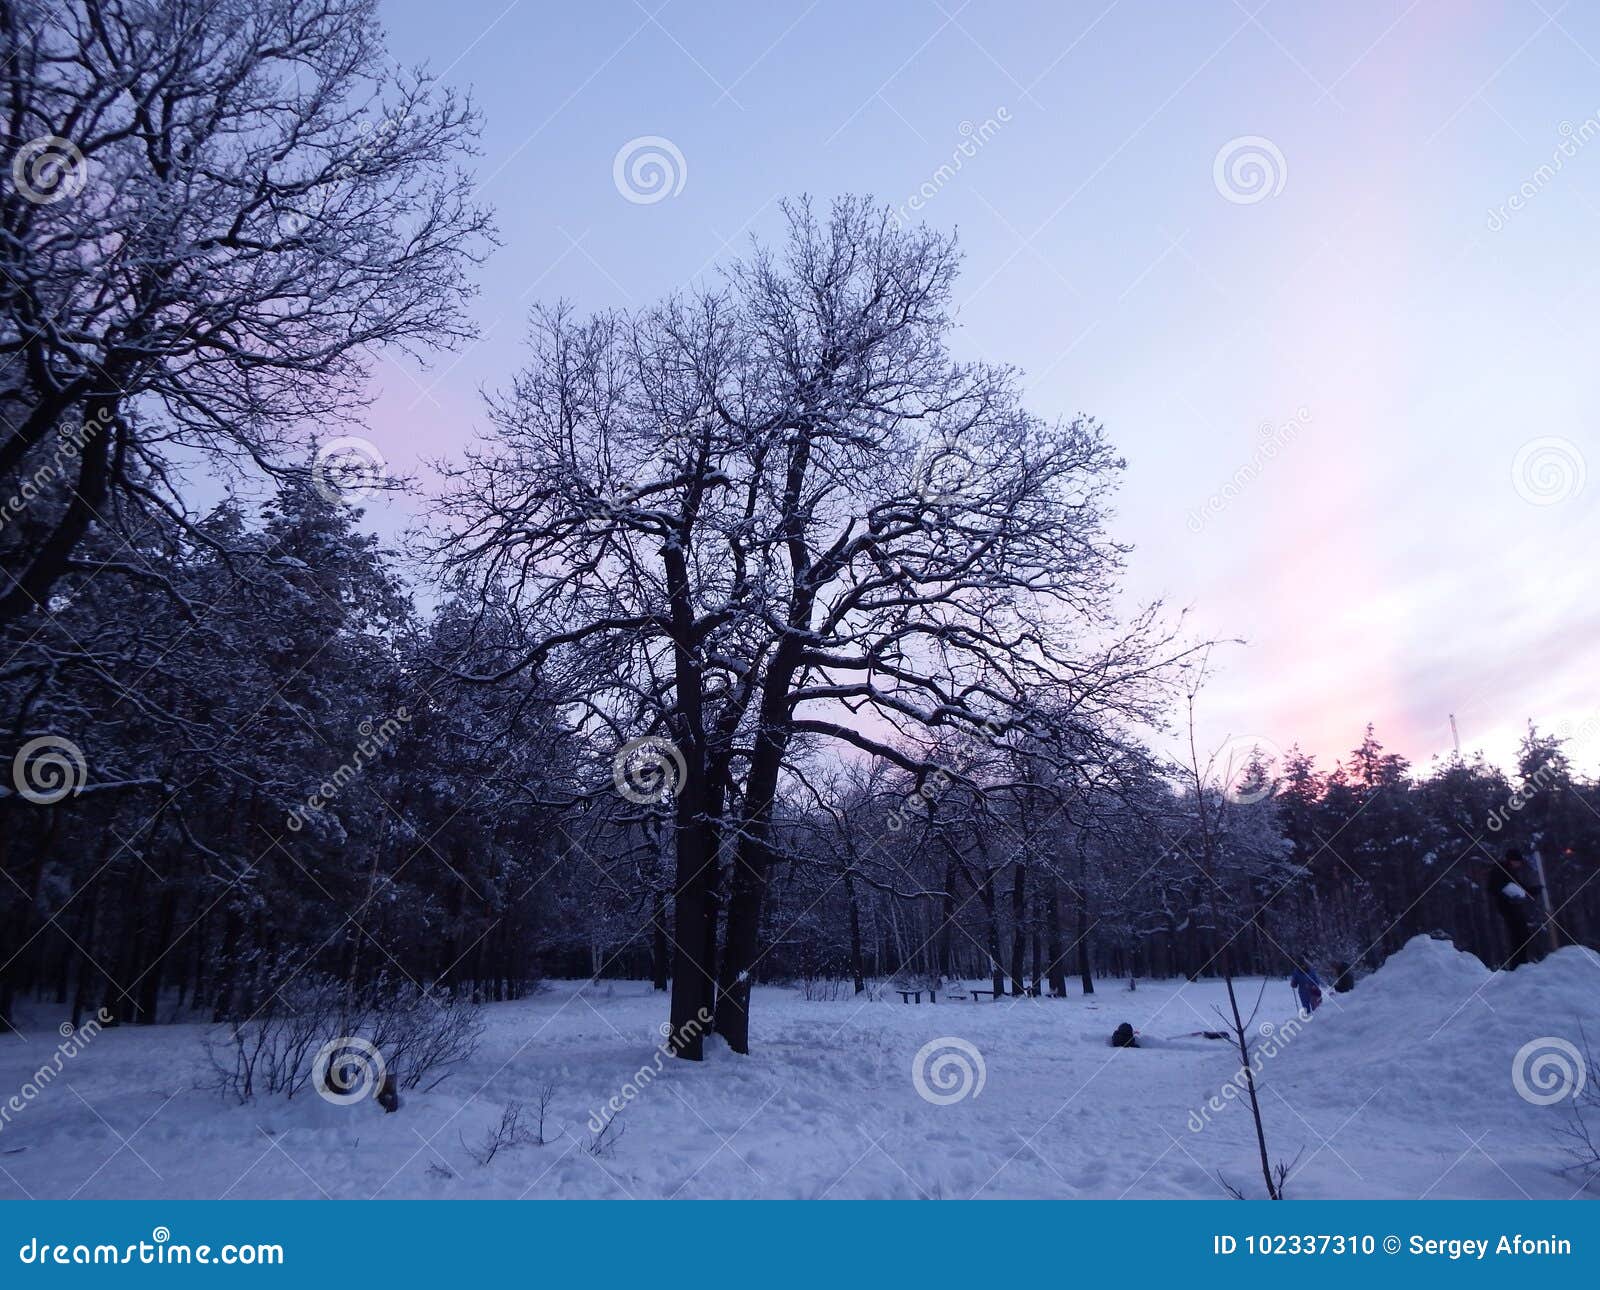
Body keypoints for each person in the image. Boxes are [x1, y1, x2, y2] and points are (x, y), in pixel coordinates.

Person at [1487, 847, 1543, 969]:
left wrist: (1533, 890)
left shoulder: (1510, 871)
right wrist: (1506, 894)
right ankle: (1517, 965)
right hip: (1506, 906)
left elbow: (1521, 887)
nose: (1519, 864)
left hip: (1515, 906)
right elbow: (1492, 888)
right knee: (1518, 934)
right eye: (1518, 861)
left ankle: (1520, 963)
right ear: (1512, 860)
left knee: (1522, 934)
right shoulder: (1499, 870)